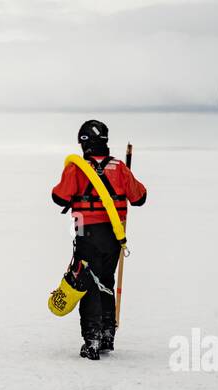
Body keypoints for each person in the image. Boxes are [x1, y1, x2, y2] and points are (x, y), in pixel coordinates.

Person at [51, 120, 147, 360]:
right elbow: (140, 197)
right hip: (114, 237)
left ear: (84, 142)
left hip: (87, 234)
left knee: (88, 284)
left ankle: (92, 339)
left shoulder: (77, 168)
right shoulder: (120, 169)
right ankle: (107, 334)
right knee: (105, 280)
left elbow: (59, 197)